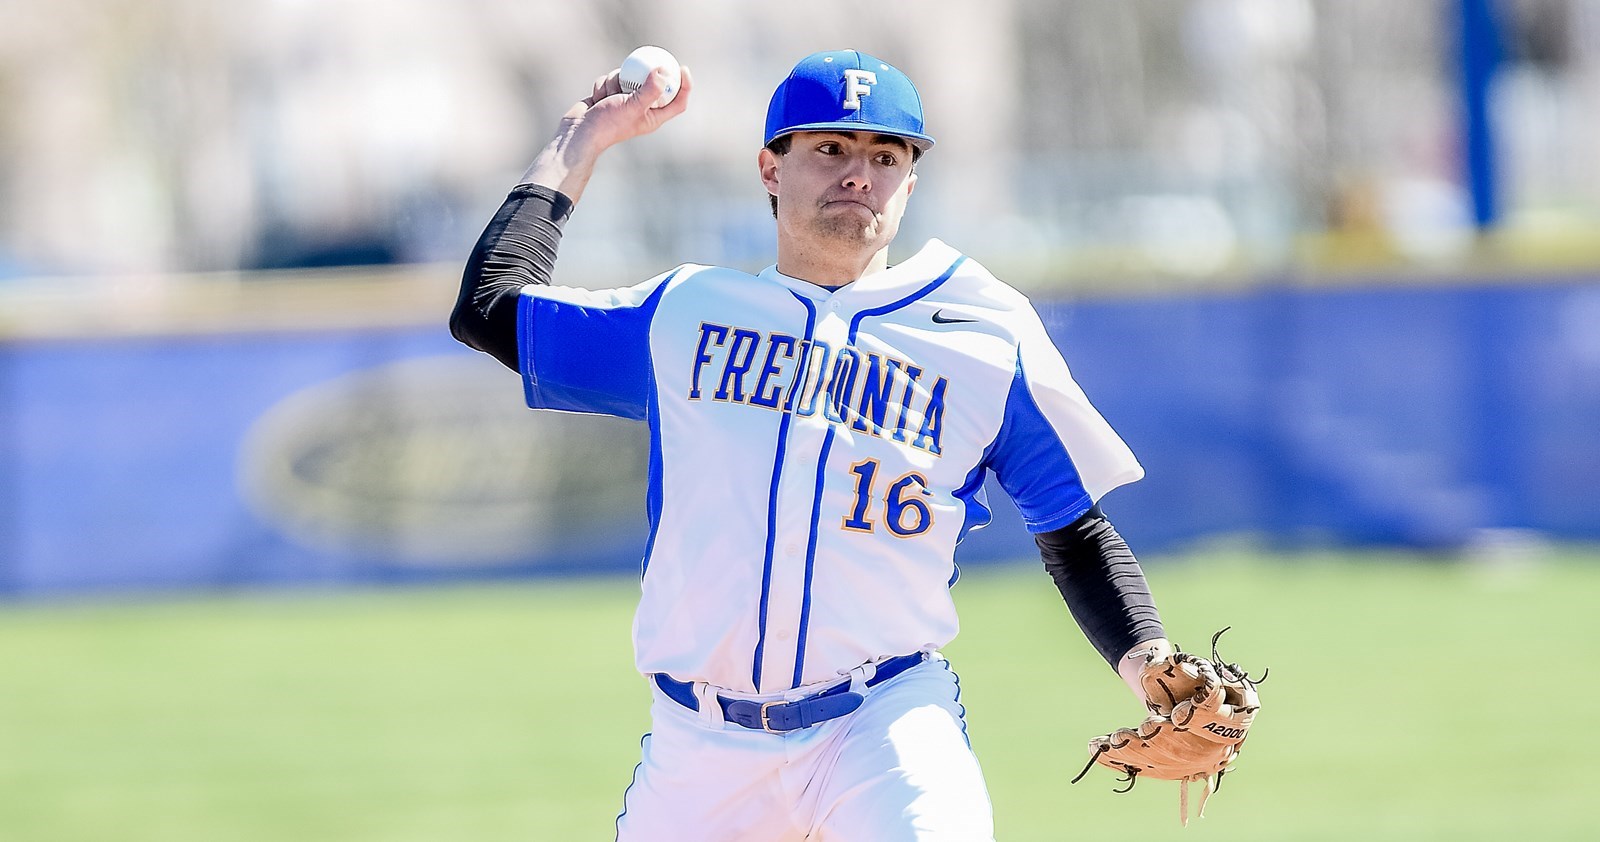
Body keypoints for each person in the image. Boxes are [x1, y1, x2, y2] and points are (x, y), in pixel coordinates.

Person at [452, 48, 1171, 842]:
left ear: (910, 183)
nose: (858, 174)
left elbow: (1074, 528)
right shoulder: (683, 316)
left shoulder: (985, 336)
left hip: (883, 724)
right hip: (701, 745)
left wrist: (1150, 661)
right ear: (770, 168)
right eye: (829, 148)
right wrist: (579, 141)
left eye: (885, 155)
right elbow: (490, 308)